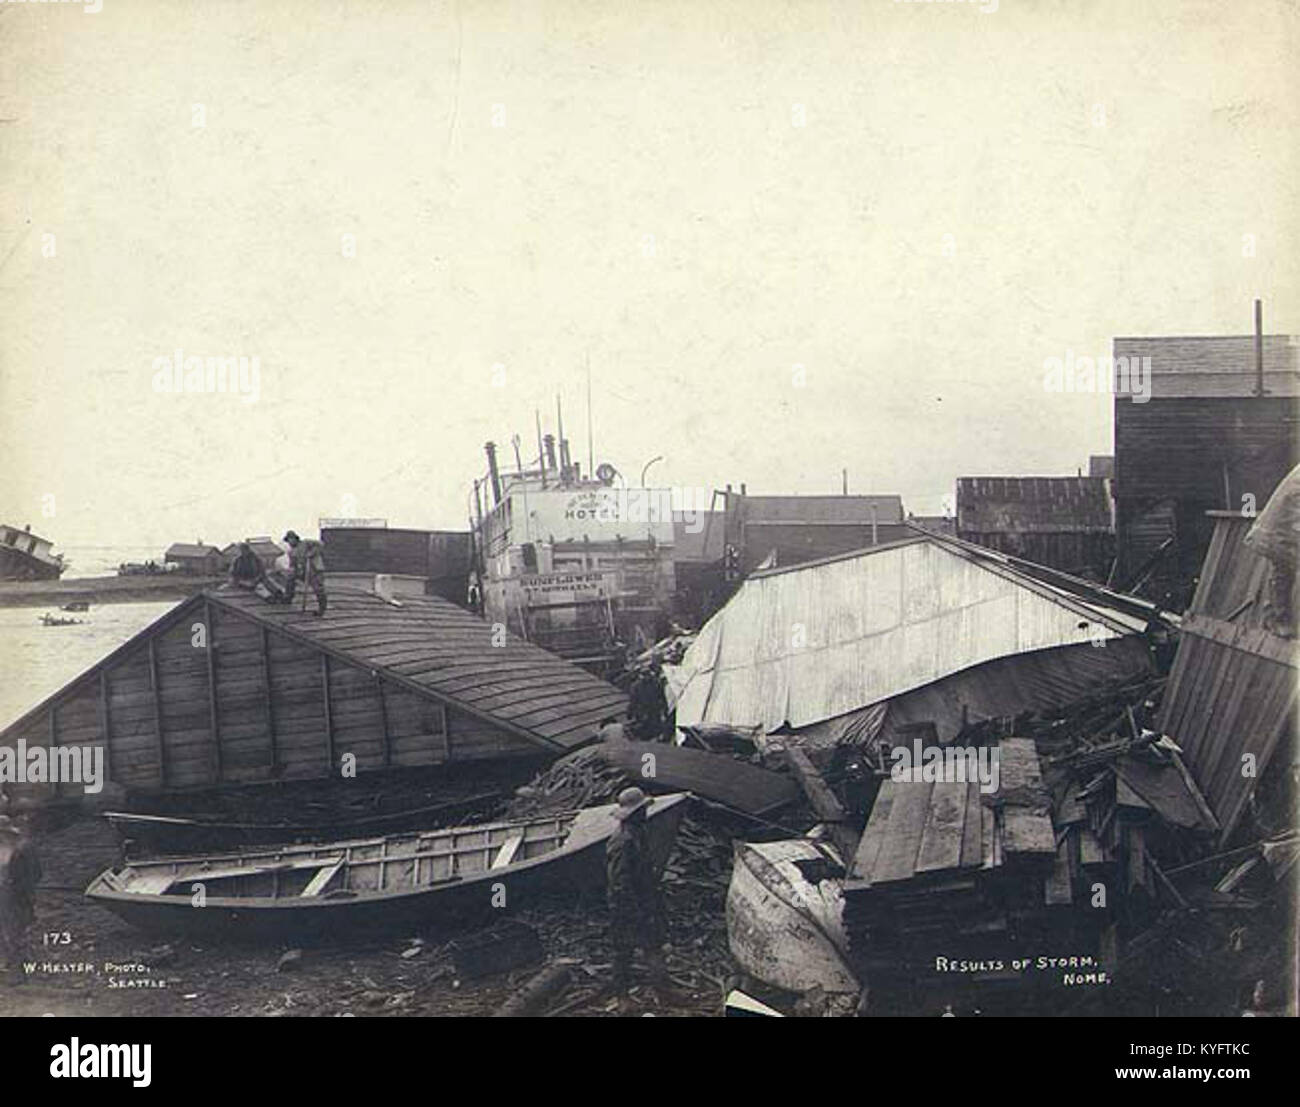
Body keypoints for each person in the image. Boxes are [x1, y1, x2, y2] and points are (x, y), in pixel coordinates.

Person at [605, 786, 669, 1011]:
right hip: (626, 905)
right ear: (633, 813)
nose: (645, 813)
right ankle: (622, 997)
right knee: (624, 951)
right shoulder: (622, 841)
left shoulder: (638, 833)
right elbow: (619, 883)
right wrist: (634, 911)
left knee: (654, 945)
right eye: (641, 810)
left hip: (645, 900)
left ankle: (664, 992)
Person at [0, 801, 41, 985]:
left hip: (13, 896)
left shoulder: (23, 848)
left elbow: (35, 874)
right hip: (8, 894)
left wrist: (23, 892)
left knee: (13, 932)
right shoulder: (12, 847)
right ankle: (11, 965)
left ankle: (17, 972)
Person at [281, 530, 327, 616]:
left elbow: (320, 544)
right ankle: (288, 598)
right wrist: (291, 570)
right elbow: (293, 564)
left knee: (318, 589)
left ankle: (322, 609)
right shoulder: (292, 552)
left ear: (296, 538)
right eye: (288, 540)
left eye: (291, 539)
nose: (290, 542)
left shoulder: (306, 543)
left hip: (315, 570)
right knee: (290, 577)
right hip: (303, 572)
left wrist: (311, 553)